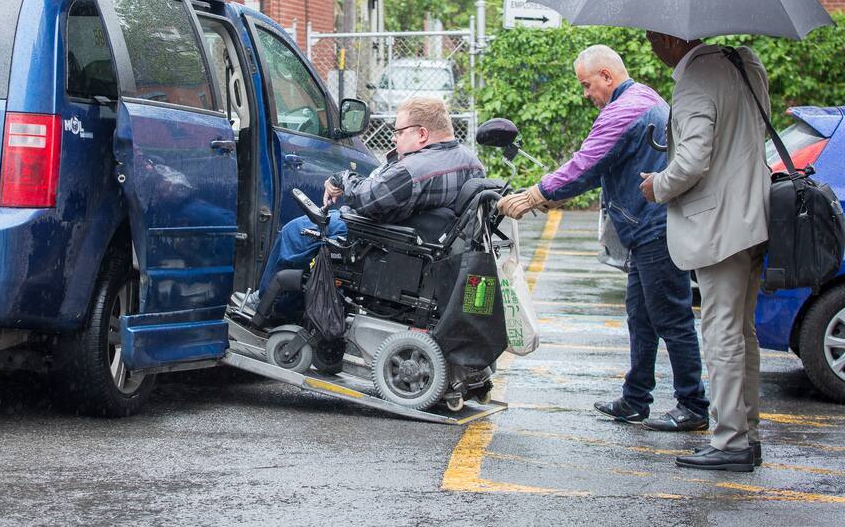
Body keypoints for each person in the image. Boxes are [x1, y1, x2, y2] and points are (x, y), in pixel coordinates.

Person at [498, 45, 709, 431]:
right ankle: (635, 399)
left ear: (607, 77)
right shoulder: (643, 97)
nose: (586, 94)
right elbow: (598, 169)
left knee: (672, 318)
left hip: (654, 229)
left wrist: (535, 195)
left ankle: (693, 405)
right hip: (649, 228)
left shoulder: (624, 111)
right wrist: (550, 194)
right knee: (641, 318)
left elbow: (586, 163)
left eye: (587, 85)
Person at [640, 33, 770, 473]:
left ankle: (731, 440)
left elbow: (695, 159)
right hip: (755, 219)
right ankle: (746, 434)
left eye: (652, 36)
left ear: (670, 38)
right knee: (740, 331)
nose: (650, 44)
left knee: (721, 334)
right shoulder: (744, 61)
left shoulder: (696, 77)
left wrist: (657, 185)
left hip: (719, 225)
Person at [241, 96, 483, 317]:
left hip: (379, 236)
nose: (393, 138)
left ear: (421, 134)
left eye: (398, 132)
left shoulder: (413, 170)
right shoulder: (472, 162)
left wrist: (341, 178)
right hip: (423, 241)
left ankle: (268, 307)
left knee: (296, 233)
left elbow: (368, 199)